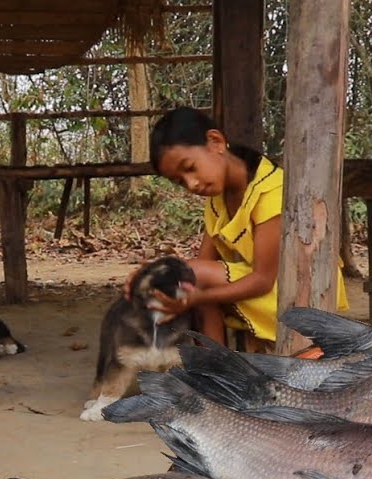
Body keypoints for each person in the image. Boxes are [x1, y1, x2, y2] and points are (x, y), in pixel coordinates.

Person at [133, 106, 347, 348]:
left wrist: (197, 297)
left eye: (190, 167)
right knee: (184, 279)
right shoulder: (217, 199)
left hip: (302, 292)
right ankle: (213, 372)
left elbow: (262, 280)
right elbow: (198, 267)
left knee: (193, 282)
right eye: (180, 181)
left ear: (215, 142)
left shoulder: (270, 190)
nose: (191, 184)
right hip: (266, 289)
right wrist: (156, 276)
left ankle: (216, 372)